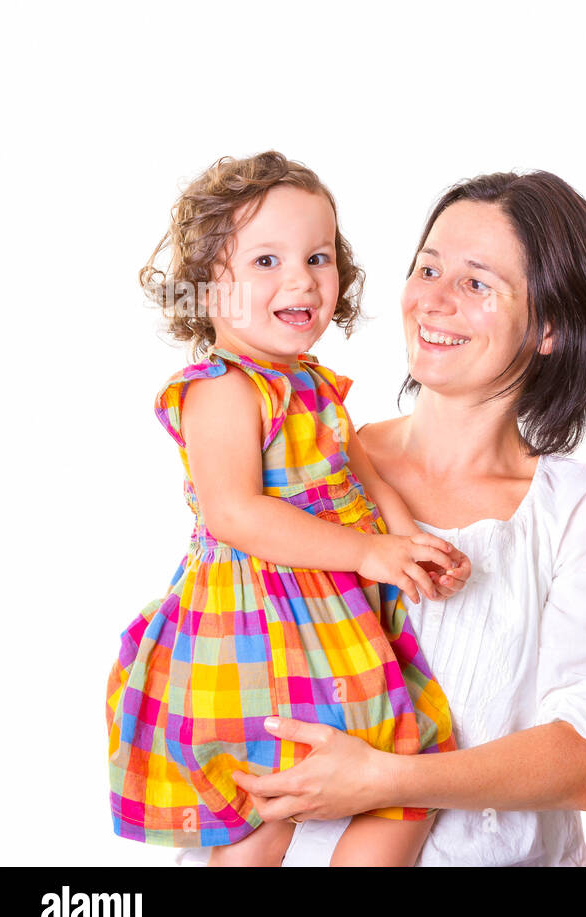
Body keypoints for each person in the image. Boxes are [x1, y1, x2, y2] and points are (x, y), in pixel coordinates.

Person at [230, 170, 586, 867]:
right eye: (427, 269)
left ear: (549, 327)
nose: (433, 300)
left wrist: (389, 781)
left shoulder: (582, 515)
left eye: (478, 283)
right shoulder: (309, 471)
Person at [107, 151, 465, 867]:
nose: (302, 278)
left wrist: (407, 539)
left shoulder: (313, 385)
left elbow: (361, 474)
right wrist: (369, 553)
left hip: (328, 620)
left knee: (395, 775)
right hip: (251, 631)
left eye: (318, 257)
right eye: (267, 260)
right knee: (266, 814)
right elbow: (235, 513)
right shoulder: (222, 388)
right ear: (210, 287)